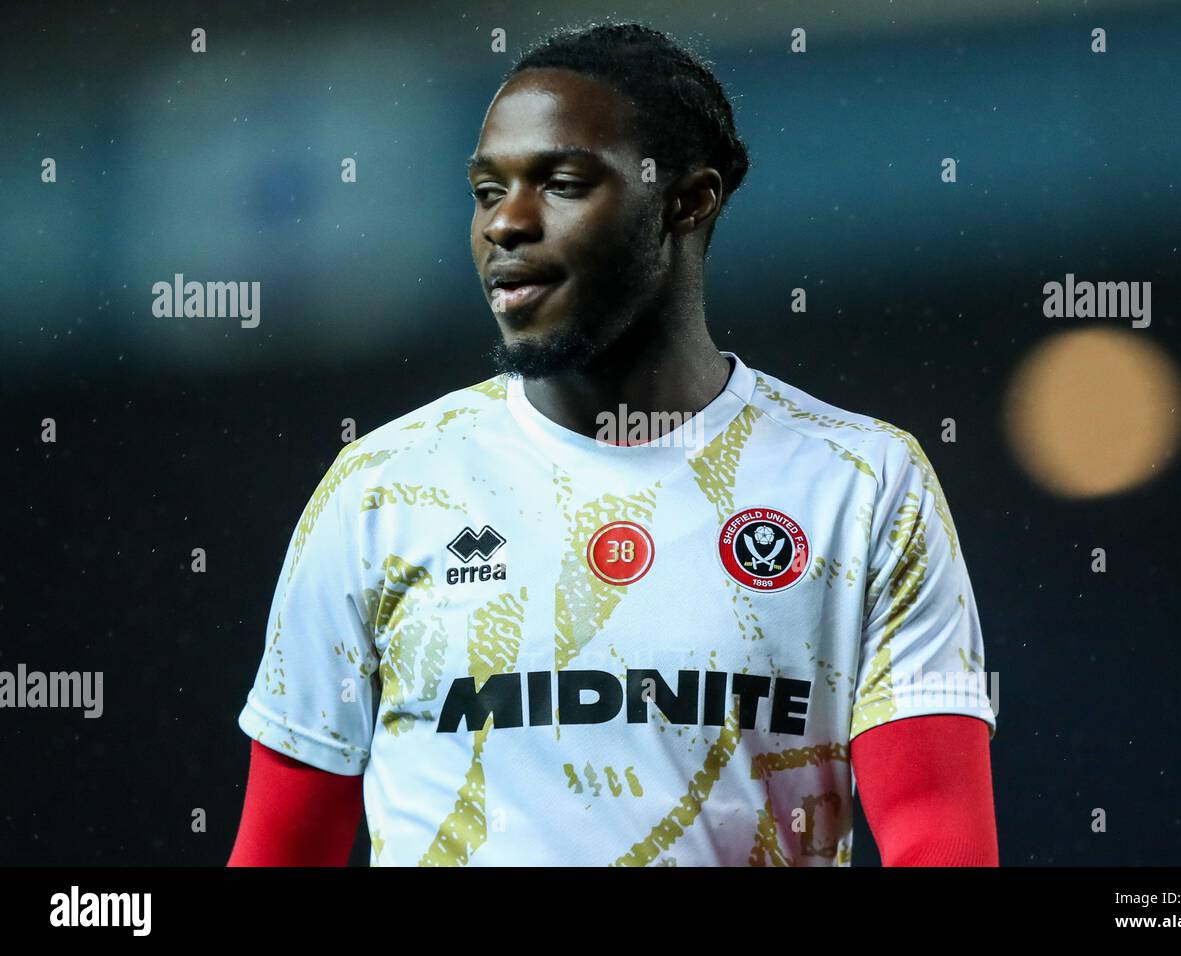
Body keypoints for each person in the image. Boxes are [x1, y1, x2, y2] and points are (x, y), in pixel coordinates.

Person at [229, 21, 998, 867]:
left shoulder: (861, 482)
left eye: (560, 183)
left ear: (687, 200)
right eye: (488, 191)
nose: (506, 225)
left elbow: (940, 840)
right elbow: (279, 851)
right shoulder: (382, 487)